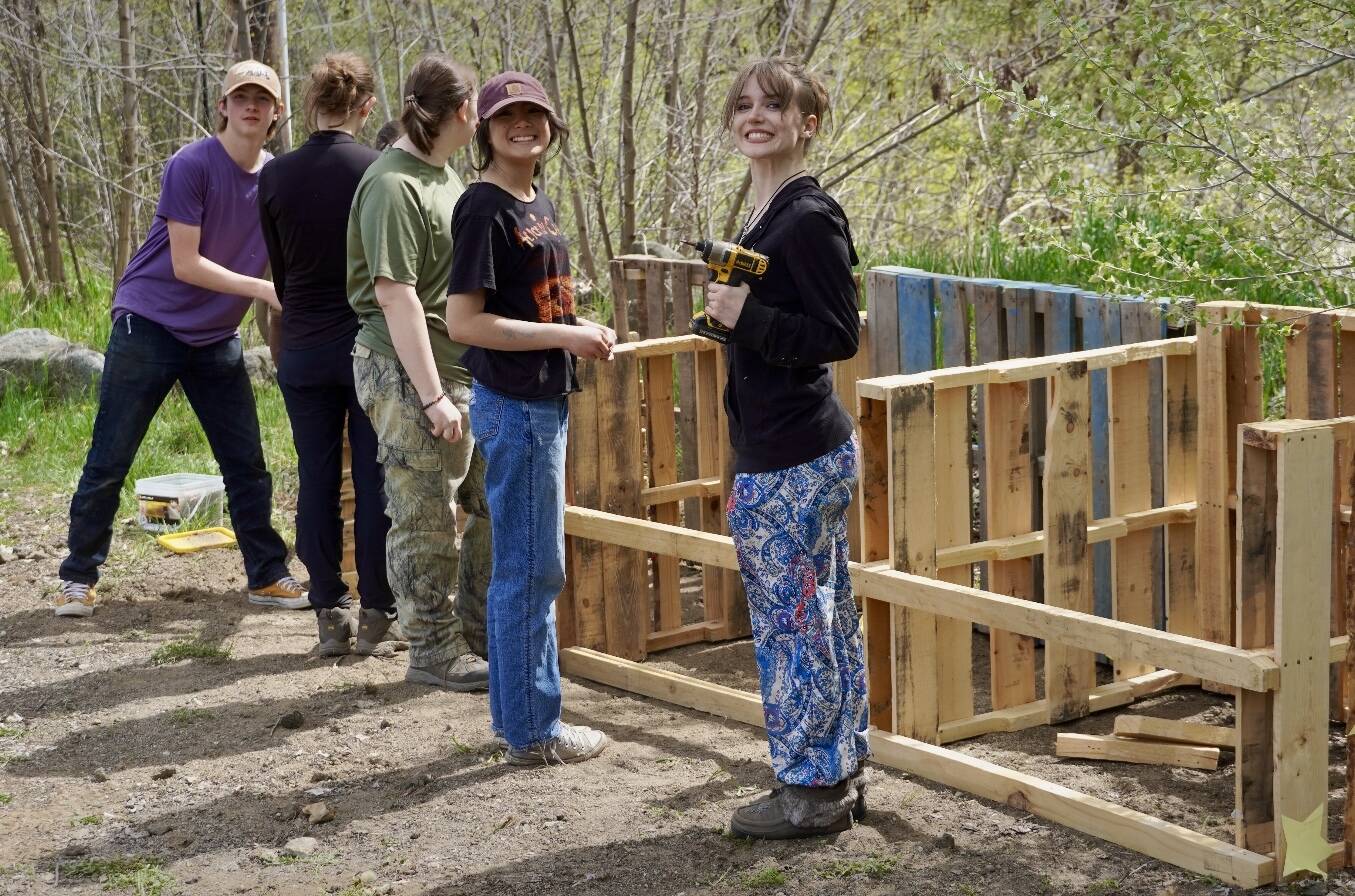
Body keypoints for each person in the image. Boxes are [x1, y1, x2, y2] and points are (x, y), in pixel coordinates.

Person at [53, 60, 309, 618]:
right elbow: (187, 263)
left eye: (262, 99)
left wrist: (287, 348)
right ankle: (77, 577)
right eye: (240, 96)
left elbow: (278, 278)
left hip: (215, 337)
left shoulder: (277, 180)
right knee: (110, 457)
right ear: (222, 105)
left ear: (277, 112)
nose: (250, 106)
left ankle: (266, 574)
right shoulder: (192, 163)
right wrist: (264, 290)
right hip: (149, 323)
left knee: (246, 462)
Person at [700, 57, 869, 837]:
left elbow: (837, 335)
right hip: (793, 448)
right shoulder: (769, 212)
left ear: (807, 124)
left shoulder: (808, 216)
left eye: (774, 106)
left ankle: (808, 791)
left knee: (789, 623)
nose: (753, 116)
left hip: (792, 459)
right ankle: (837, 765)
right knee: (823, 614)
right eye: (742, 106)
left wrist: (745, 318)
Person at [447, 71, 615, 766]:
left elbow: (535, 304)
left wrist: (577, 324)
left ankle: (517, 717)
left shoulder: (532, 198)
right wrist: (565, 338)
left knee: (525, 566)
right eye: (507, 115)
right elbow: (467, 321)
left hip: (540, 402)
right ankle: (533, 732)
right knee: (529, 570)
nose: (524, 124)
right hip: (514, 408)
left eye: (536, 114)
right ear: (483, 129)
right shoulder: (483, 208)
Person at [347, 54, 490, 689]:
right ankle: (432, 650)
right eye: (479, 109)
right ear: (464, 112)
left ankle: (482, 634)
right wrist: (433, 396)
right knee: (424, 516)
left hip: (462, 369)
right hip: (406, 374)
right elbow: (395, 293)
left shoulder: (445, 176)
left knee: (486, 505)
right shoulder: (391, 184)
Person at [258, 53, 405, 656]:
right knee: (373, 480)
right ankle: (377, 612)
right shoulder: (379, 170)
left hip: (303, 350)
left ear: (311, 102)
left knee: (316, 479)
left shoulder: (275, 176)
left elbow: (281, 277)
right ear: (367, 107)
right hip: (366, 347)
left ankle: (328, 611)